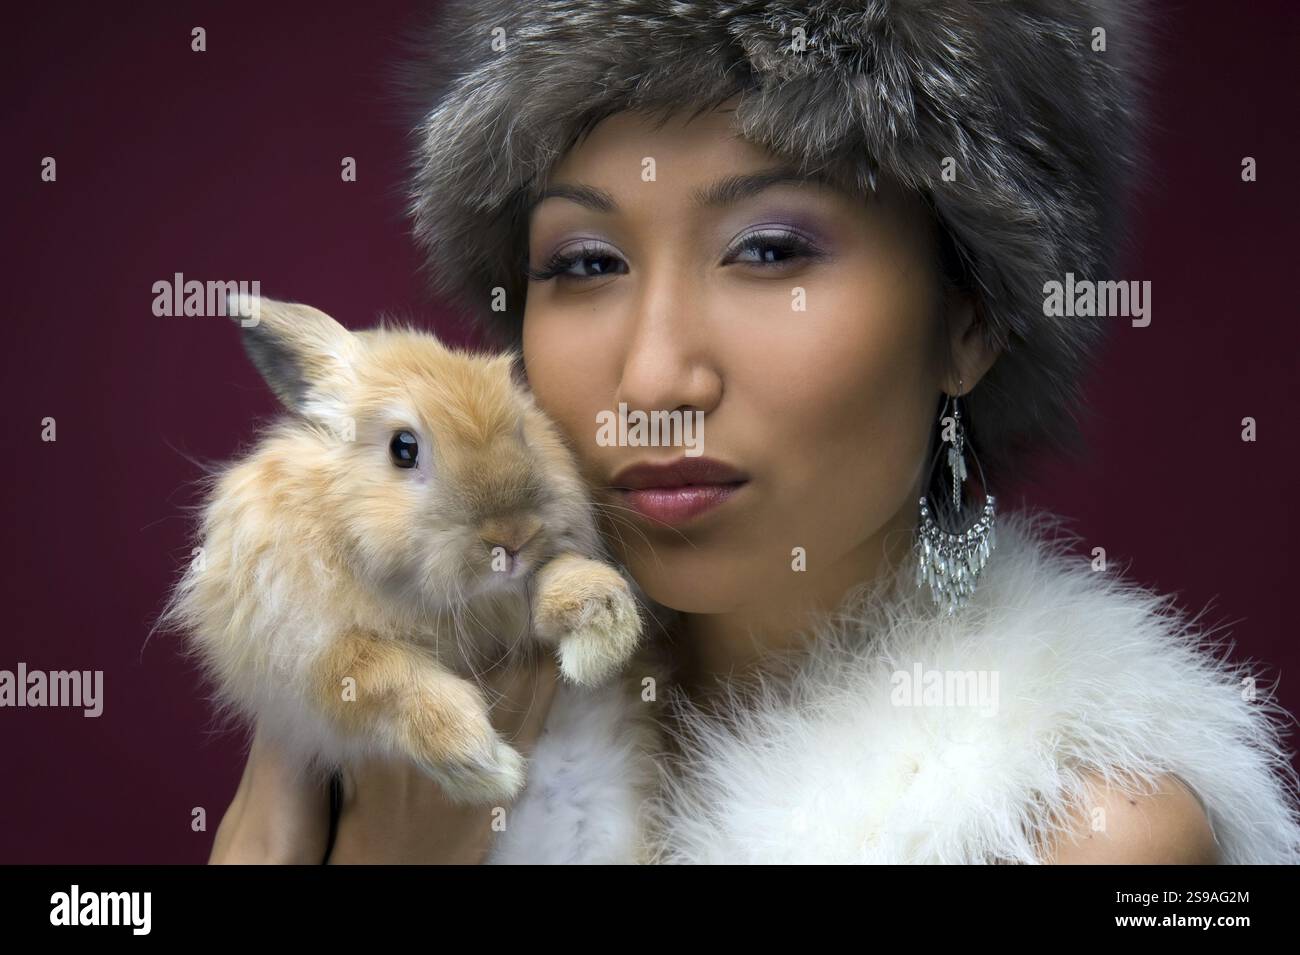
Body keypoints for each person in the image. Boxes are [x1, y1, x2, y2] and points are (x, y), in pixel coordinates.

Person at [209, 0, 1300, 863]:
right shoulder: (404, 674)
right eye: (585, 263)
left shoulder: (1072, 829)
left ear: (969, 321)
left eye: (770, 250)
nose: (653, 375)